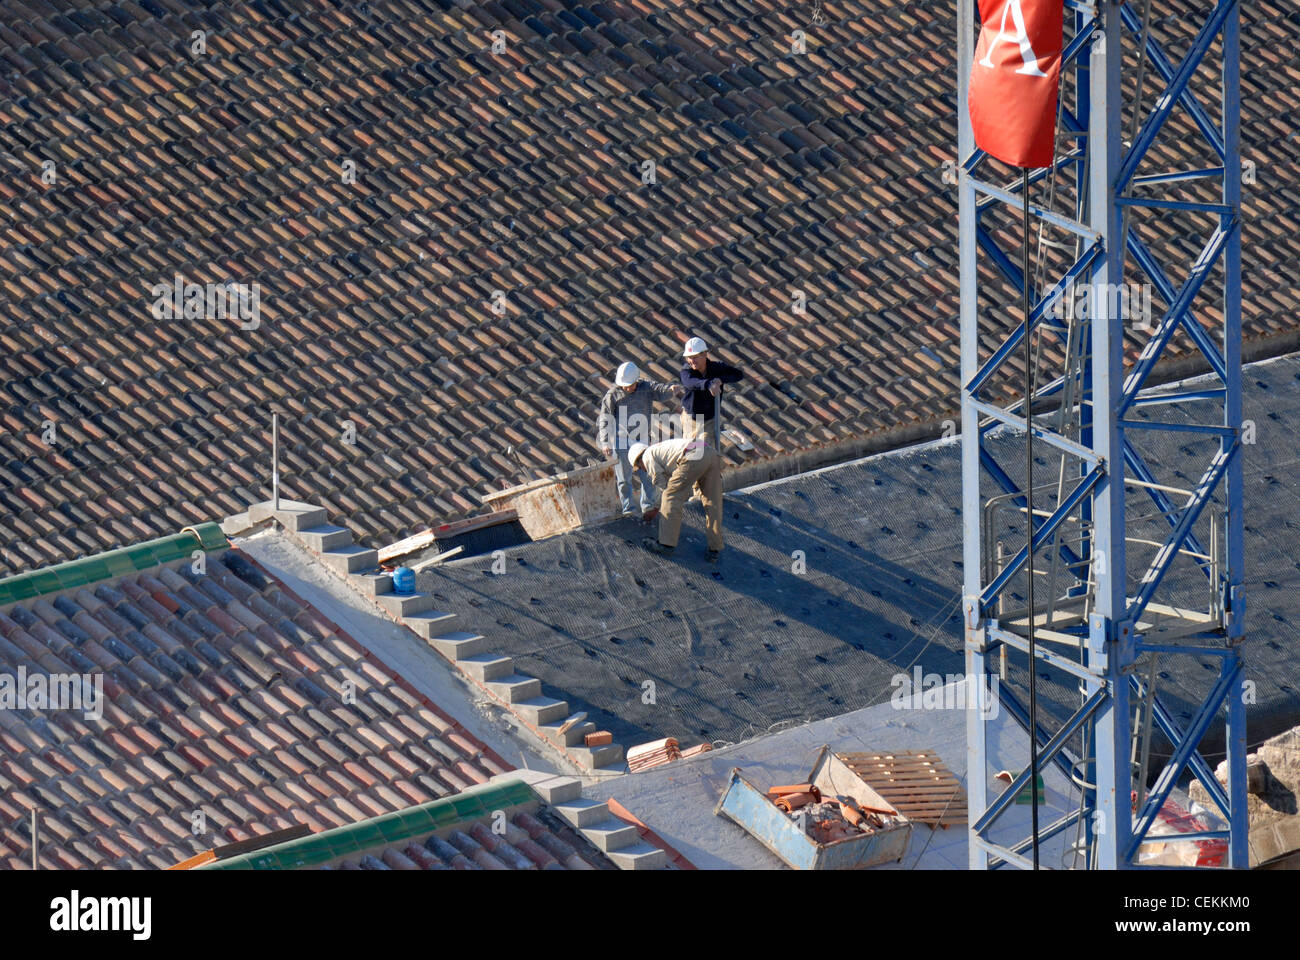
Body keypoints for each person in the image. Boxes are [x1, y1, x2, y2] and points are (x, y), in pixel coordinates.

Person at [596, 361, 684, 519]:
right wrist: (605, 442)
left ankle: (648, 507)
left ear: (637, 381)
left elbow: (660, 391)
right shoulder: (613, 395)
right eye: (625, 386)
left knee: (648, 475)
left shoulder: (646, 388)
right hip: (621, 441)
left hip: (642, 439)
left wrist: (671, 391)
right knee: (624, 479)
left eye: (630, 385)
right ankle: (628, 509)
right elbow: (605, 418)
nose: (627, 389)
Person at [629, 437, 724, 562]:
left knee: (670, 497)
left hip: (693, 455)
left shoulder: (647, 455)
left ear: (639, 460)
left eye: (639, 468)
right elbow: (676, 480)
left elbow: (664, 487)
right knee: (713, 503)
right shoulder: (662, 451)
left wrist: (655, 508)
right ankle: (714, 549)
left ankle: (666, 544)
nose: (642, 470)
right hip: (711, 454)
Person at [679, 336, 743, 448]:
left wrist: (721, 380)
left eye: (695, 357)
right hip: (691, 419)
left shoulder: (717, 367)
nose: (692, 361)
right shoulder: (686, 371)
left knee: (705, 447)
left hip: (709, 419)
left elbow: (738, 374)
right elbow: (690, 382)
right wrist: (709, 384)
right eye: (689, 358)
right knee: (690, 451)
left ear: (704, 354)